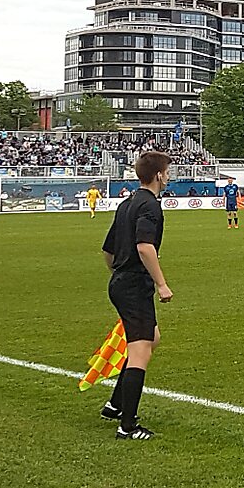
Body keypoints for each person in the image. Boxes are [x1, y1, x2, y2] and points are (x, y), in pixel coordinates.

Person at [99, 151, 174, 440]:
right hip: (133, 285)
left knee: (151, 338)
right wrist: (161, 284)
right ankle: (127, 426)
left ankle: (115, 404)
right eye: (167, 172)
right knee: (141, 348)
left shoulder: (127, 203)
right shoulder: (150, 206)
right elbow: (145, 247)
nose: (168, 177)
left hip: (122, 282)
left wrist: (118, 274)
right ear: (158, 175)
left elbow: (108, 250)